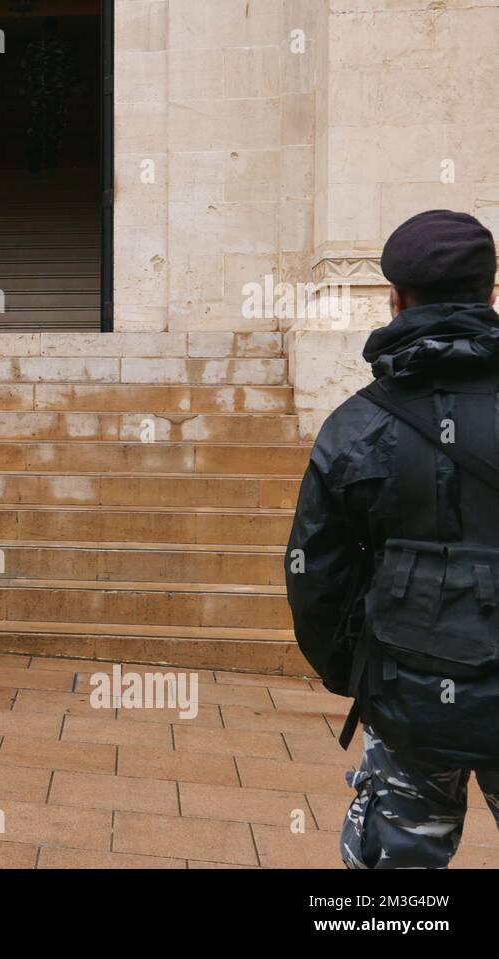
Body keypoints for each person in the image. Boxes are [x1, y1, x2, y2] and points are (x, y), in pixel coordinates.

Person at [285, 209, 499, 868]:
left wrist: (360, 673)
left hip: (409, 699)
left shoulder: (354, 427)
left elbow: (314, 578)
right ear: (491, 294)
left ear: (395, 299)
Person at [20, 18, 82, 175]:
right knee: (46, 126)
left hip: (46, 93)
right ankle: (42, 159)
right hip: (48, 93)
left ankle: (43, 159)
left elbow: (24, 69)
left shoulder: (35, 47)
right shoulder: (39, 47)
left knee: (46, 126)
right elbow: (71, 70)